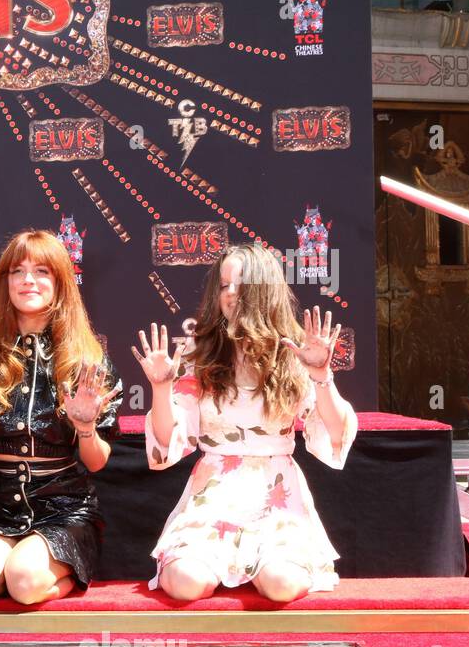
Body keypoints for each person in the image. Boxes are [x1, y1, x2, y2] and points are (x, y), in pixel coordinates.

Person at [134, 242, 357, 603]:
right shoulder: (201, 354)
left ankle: (264, 563)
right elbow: (167, 440)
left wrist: (321, 374)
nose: (230, 293)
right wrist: (160, 389)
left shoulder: (294, 353)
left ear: (264, 289)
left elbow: (333, 432)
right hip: (214, 492)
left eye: (241, 284)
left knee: (282, 584)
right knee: (186, 582)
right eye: (224, 285)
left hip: (277, 493)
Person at [0, 229, 122, 607]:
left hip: (63, 506)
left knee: (25, 580)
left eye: (41, 271)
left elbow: (96, 462)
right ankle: (10, 574)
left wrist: (85, 428)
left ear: (61, 283)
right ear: (4, 283)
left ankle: (48, 576)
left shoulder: (87, 359)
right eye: (18, 271)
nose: (28, 280)